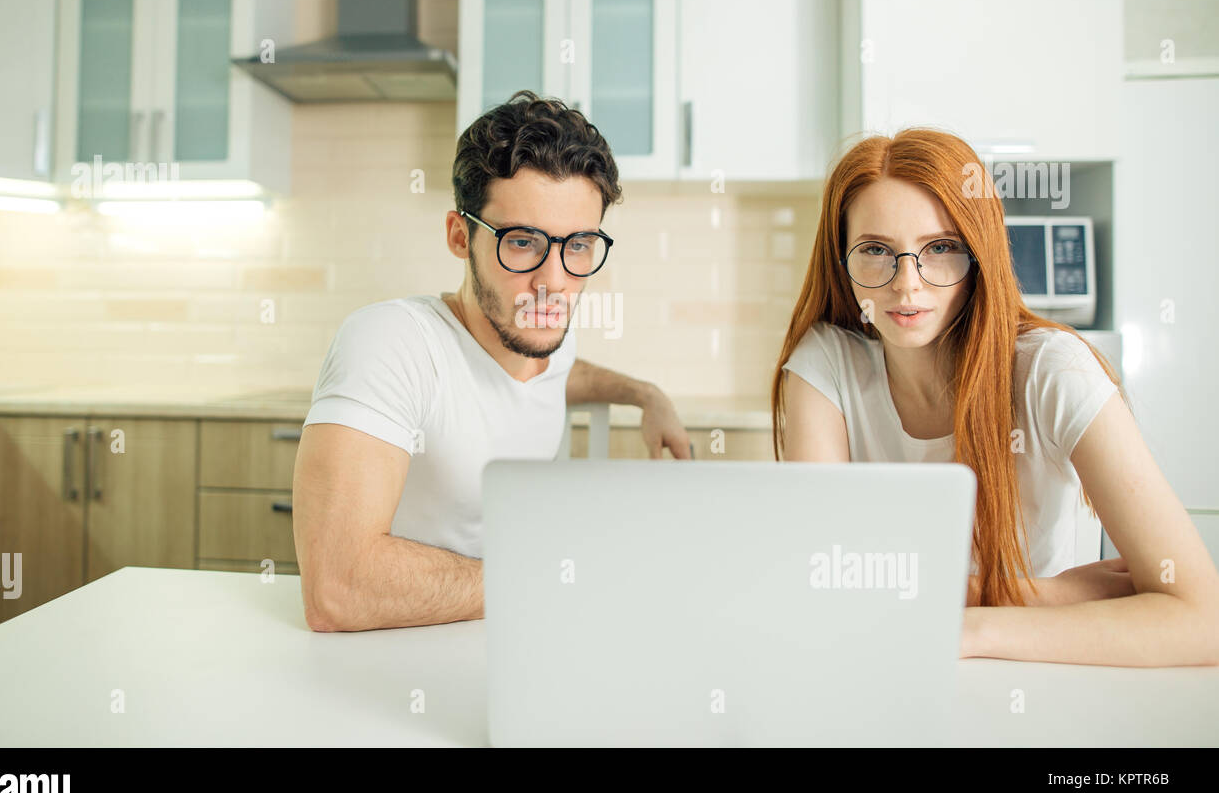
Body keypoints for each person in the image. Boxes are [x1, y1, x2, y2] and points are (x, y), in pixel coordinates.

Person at [772, 128, 1219, 666]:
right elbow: (824, 583)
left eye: (939, 249)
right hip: (890, 671)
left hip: (1044, 686)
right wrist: (1042, 594)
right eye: (875, 251)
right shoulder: (827, 363)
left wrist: (972, 630)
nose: (907, 284)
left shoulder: (1052, 369)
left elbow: (1203, 619)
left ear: (978, 256)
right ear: (840, 262)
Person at [294, 91, 692, 632]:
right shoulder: (390, 343)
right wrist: (546, 578)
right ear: (461, 236)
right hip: (395, 659)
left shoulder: (541, 333)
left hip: (518, 640)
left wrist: (647, 395)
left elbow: (556, 376)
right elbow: (337, 589)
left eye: (577, 245)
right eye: (523, 241)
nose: (554, 281)